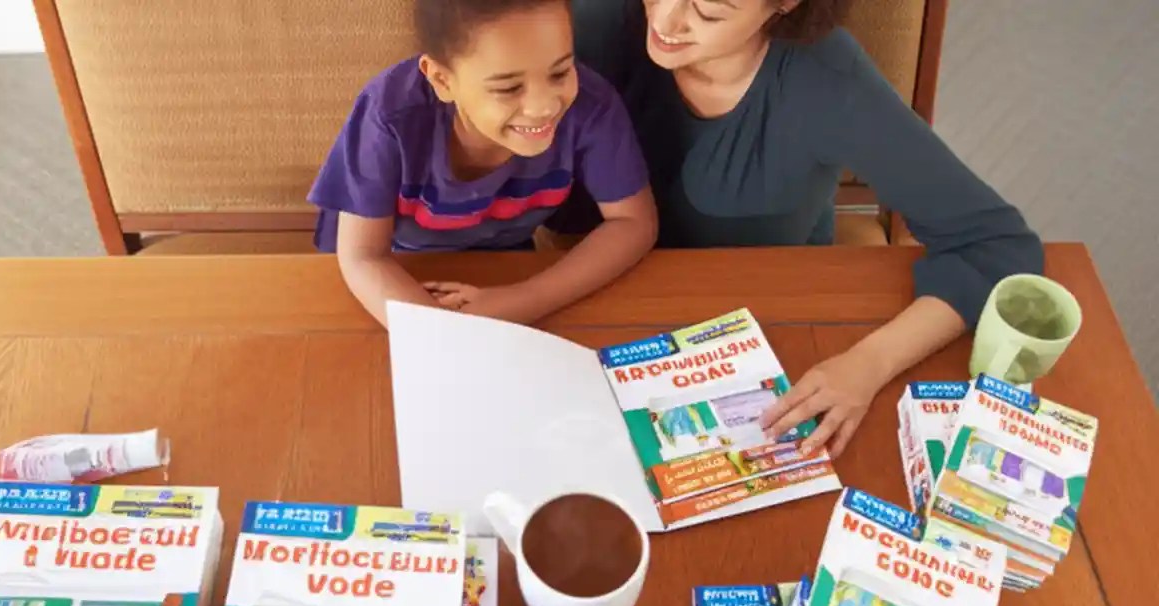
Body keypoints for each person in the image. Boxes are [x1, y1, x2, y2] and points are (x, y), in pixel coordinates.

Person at [559, 0, 1045, 455]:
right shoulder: (588, 21)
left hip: (763, 314)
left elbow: (996, 245)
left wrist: (866, 365)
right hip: (594, 291)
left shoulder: (826, 80)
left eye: (708, 10)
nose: (664, 20)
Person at [308, 0, 658, 326]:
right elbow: (363, 256)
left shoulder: (592, 106)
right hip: (392, 271)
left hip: (509, 263)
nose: (544, 106)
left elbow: (633, 222)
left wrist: (519, 301)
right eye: (508, 88)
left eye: (560, 72)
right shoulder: (389, 114)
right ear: (442, 80)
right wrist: (436, 330)